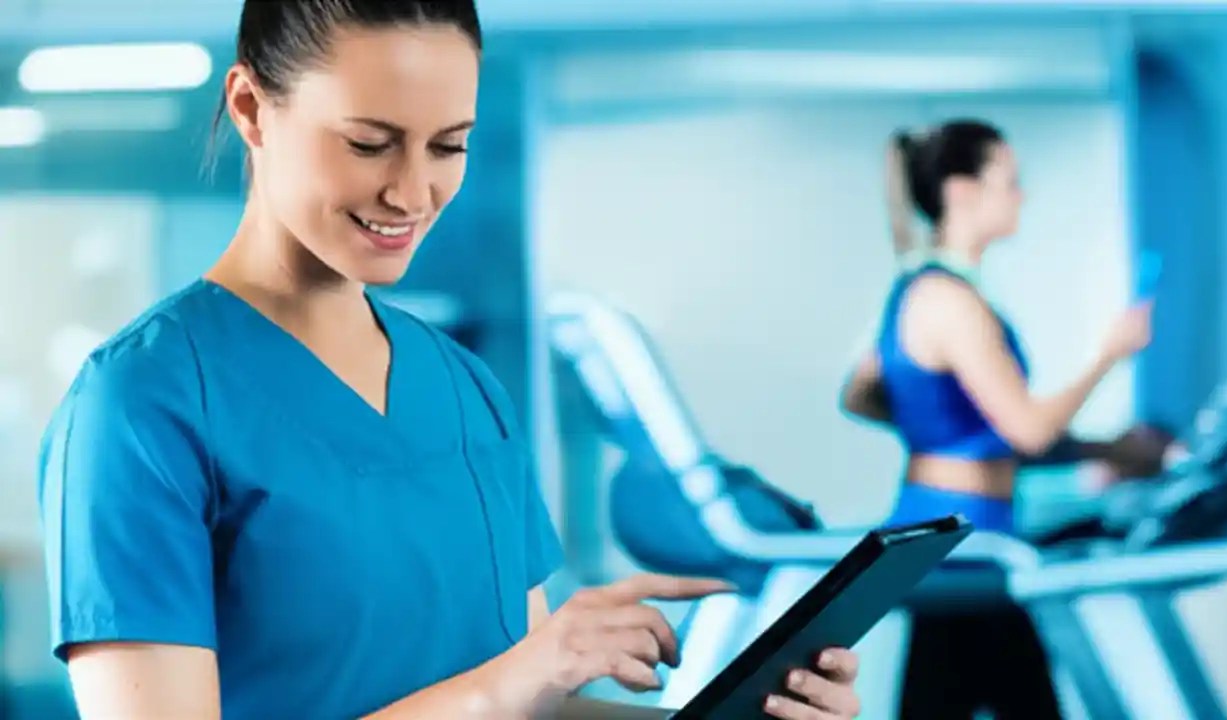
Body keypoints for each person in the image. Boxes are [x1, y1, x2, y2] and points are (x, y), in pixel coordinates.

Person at [34, 2, 863, 719]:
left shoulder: (466, 389)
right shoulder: (143, 404)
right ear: (252, 107)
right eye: (369, 143)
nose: (412, 192)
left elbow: (527, 707)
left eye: (449, 147)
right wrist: (516, 679)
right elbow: (509, 688)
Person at [838, 119, 1159, 719]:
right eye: (1010, 182)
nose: (1021, 196)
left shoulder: (926, 288)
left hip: (967, 530)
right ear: (962, 192)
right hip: (960, 539)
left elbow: (860, 395)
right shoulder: (950, 301)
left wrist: (1106, 451)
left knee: (967, 692)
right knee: (1006, 695)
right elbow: (1028, 430)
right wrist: (1109, 356)